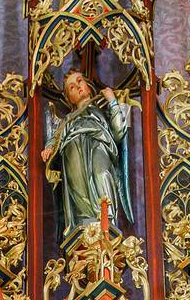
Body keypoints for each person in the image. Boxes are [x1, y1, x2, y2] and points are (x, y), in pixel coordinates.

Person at [42, 68, 133, 236]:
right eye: (71, 87)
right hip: (72, 149)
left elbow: (120, 131)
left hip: (99, 145)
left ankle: (107, 220)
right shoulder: (68, 119)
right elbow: (56, 136)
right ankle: (83, 225)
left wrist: (113, 101)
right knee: (78, 186)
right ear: (68, 99)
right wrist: (49, 146)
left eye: (79, 81)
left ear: (88, 86)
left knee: (101, 174)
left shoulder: (102, 110)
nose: (77, 87)